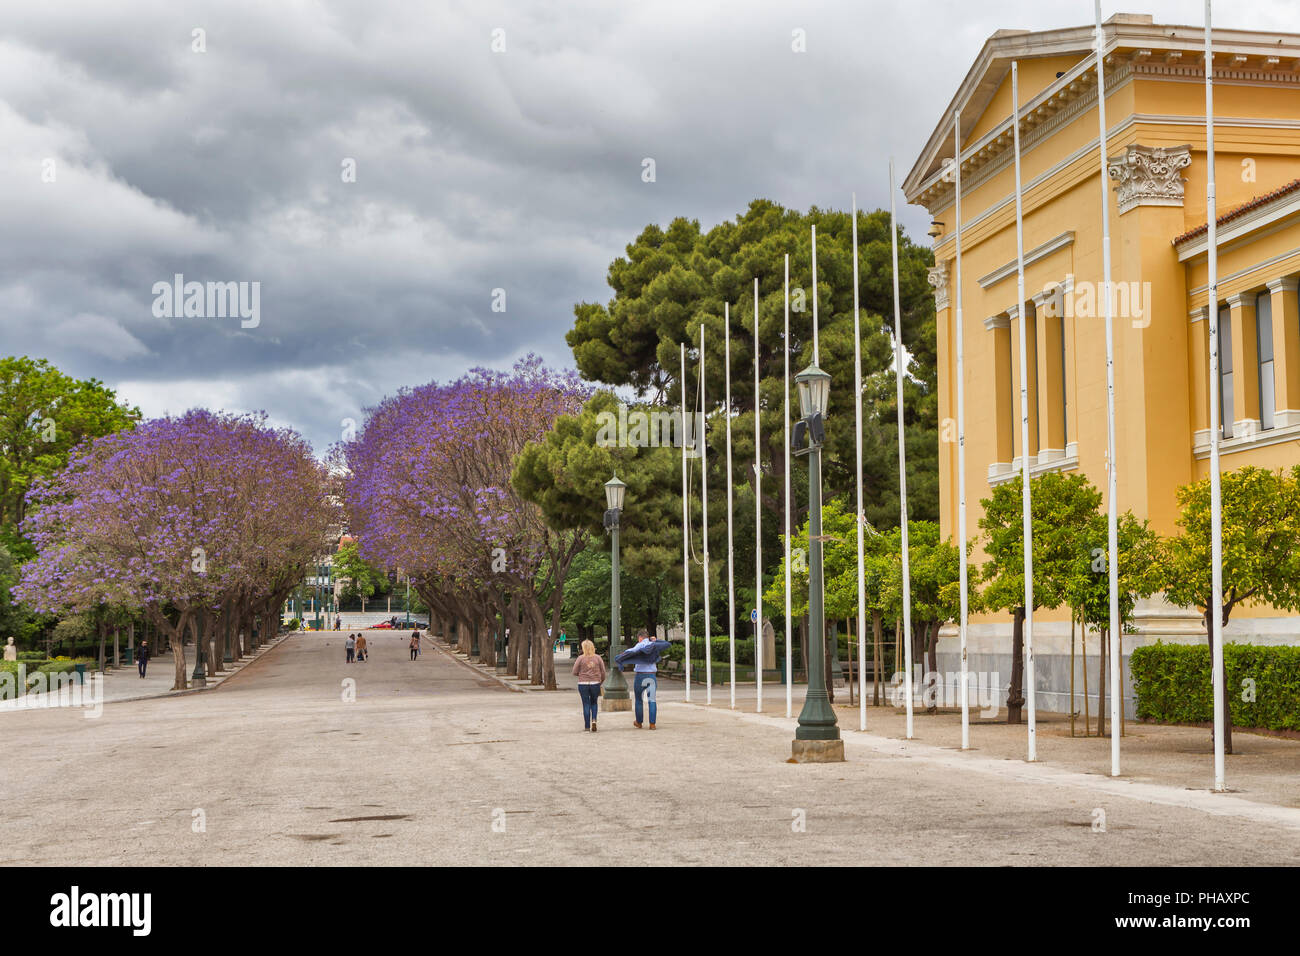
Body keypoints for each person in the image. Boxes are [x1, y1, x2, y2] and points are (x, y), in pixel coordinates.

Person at [617, 629, 671, 729]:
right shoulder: (654, 645)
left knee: (638, 700)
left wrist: (619, 658)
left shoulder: (639, 645)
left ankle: (639, 722)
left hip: (640, 676)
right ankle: (652, 724)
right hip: (651, 676)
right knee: (652, 700)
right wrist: (656, 640)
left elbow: (630, 652)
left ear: (640, 637)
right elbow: (667, 644)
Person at [571, 639, 606, 732]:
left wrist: (582, 674)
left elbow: (574, 671)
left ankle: (587, 726)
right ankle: (594, 720)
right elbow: (603, 672)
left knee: (586, 704)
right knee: (594, 702)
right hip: (595, 683)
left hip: (583, 684)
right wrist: (600, 681)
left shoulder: (580, 658)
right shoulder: (598, 658)